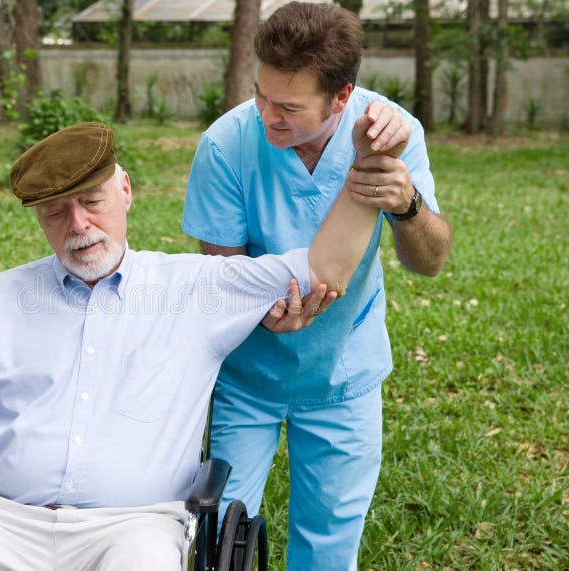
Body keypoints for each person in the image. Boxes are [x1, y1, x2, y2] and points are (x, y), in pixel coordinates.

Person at [0, 118, 399, 571]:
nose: (78, 224)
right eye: (56, 211)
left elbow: (325, 266)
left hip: (130, 530)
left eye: (93, 201)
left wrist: (368, 176)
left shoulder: (195, 288)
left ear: (125, 191)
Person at [181, 3, 453, 569]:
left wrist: (406, 205)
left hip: (343, 373)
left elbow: (430, 261)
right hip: (246, 374)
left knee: (328, 548)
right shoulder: (225, 144)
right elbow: (222, 278)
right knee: (216, 539)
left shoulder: (395, 134)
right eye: (260, 94)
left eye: (287, 106)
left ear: (341, 96)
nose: (265, 115)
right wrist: (262, 313)